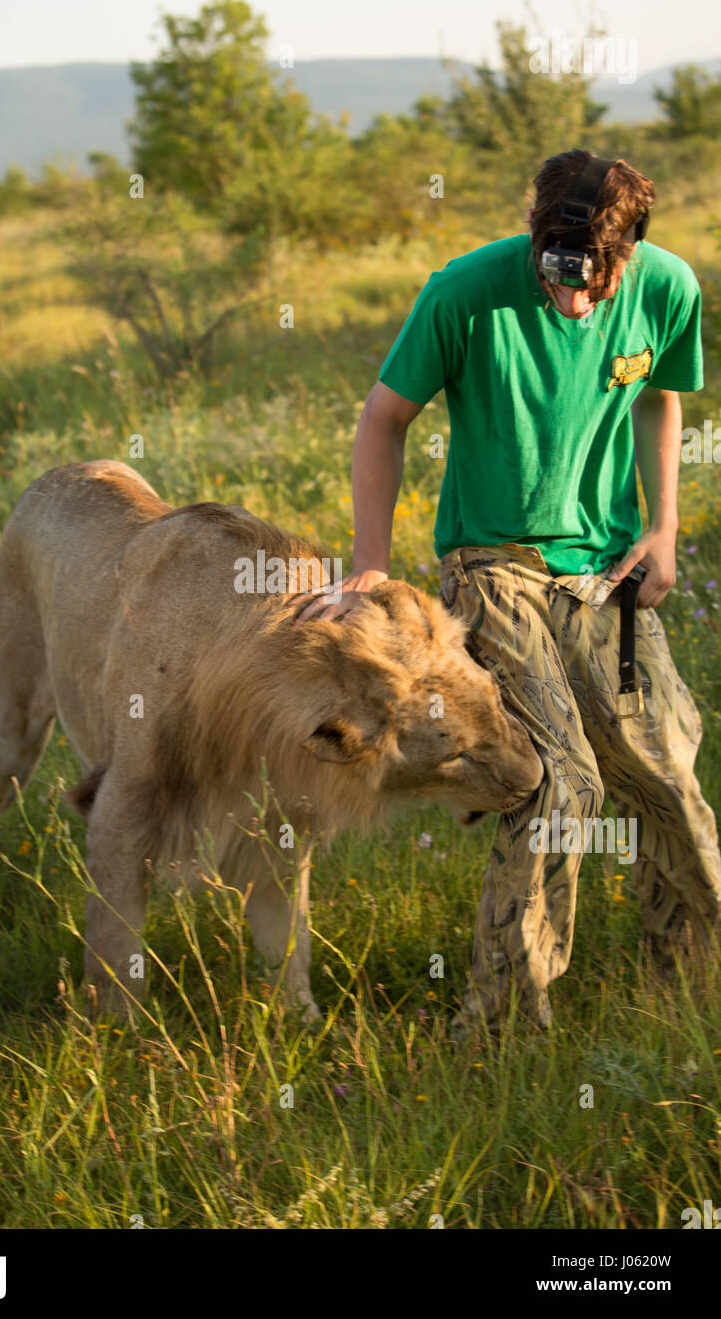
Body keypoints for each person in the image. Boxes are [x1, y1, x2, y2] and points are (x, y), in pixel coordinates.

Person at [293, 148, 721, 1041]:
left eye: (594, 282)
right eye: (558, 274)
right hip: (492, 563)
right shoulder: (464, 291)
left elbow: (658, 401)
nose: (573, 301)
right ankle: (499, 1026)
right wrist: (371, 558)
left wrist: (664, 529)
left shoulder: (669, 288)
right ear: (536, 239)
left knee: (666, 768)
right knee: (561, 785)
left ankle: (691, 984)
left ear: (630, 252)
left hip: (603, 566)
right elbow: (384, 418)